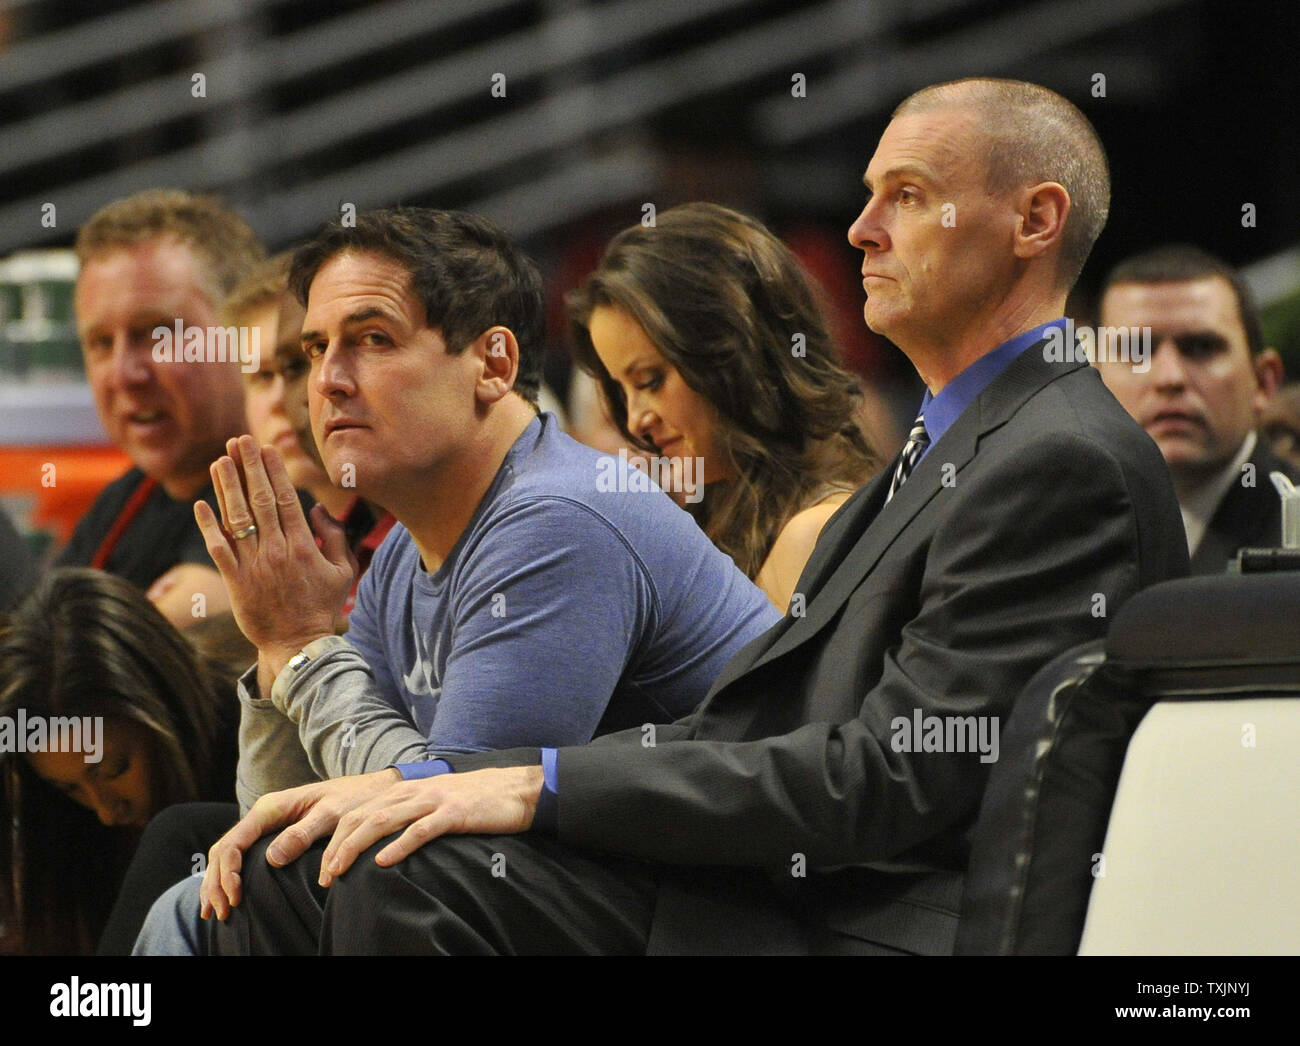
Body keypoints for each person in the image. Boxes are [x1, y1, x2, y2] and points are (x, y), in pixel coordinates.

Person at [187, 77, 1188, 957]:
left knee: (393, 867)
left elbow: (881, 777)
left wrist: (534, 786)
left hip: (870, 920)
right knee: (293, 862)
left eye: (908, 197)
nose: (859, 228)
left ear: (1034, 220)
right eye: (868, 193)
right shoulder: (962, 444)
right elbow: (747, 729)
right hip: (786, 892)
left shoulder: (1059, 459)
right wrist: (477, 776)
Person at [130, 207, 779, 953]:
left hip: (726, 915)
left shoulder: (559, 518)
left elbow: (436, 820)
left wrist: (304, 647)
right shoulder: (406, 552)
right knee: (211, 892)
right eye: (316, 348)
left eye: (372, 340)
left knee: (384, 869)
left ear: (494, 366)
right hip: (598, 891)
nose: (329, 382)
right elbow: (282, 810)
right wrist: (277, 653)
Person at [568, 202, 878, 609]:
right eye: (621, 391)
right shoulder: (722, 525)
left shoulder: (812, 533)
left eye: (651, 381)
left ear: (734, 353)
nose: (636, 419)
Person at [0, 568, 238, 955]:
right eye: (69, 787)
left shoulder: (264, 727)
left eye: (113, 770)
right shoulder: (70, 828)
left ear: (164, 706)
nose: (106, 811)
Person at [57, 189, 265, 628]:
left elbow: (155, 643)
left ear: (244, 335)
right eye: (100, 343)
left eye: (155, 334)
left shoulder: (284, 485)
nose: (124, 374)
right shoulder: (123, 500)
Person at [1096, 245, 1295, 572]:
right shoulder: (1055, 530)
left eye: (1201, 347)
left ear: (1263, 382)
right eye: (1137, 349)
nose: (1170, 378)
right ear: (1092, 380)